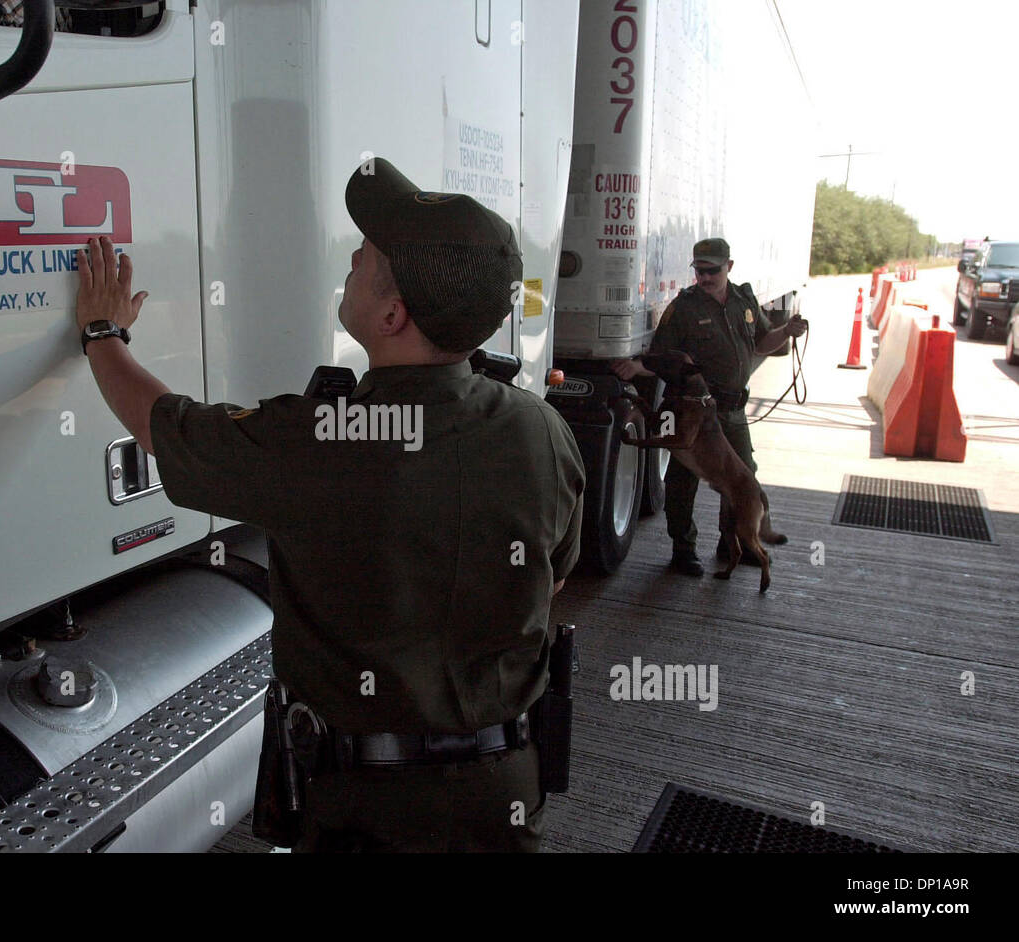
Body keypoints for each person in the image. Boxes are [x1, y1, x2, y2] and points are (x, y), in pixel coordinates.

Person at [74, 157, 586, 852]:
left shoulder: (322, 441)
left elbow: (161, 424)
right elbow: (551, 580)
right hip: (504, 796)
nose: (351, 255)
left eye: (366, 256)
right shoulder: (543, 432)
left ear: (393, 314)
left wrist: (101, 335)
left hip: (368, 816)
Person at [612, 238, 807, 577]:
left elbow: (762, 341)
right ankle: (683, 550)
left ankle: (732, 543)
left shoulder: (743, 301)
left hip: (732, 410)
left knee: (742, 477)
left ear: (728, 266)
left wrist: (787, 332)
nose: (703, 278)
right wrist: (637, 368)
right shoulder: (684, 308)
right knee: (682, 480)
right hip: (693, 409)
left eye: (711, 271)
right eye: (699, 271)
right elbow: (663, 358)